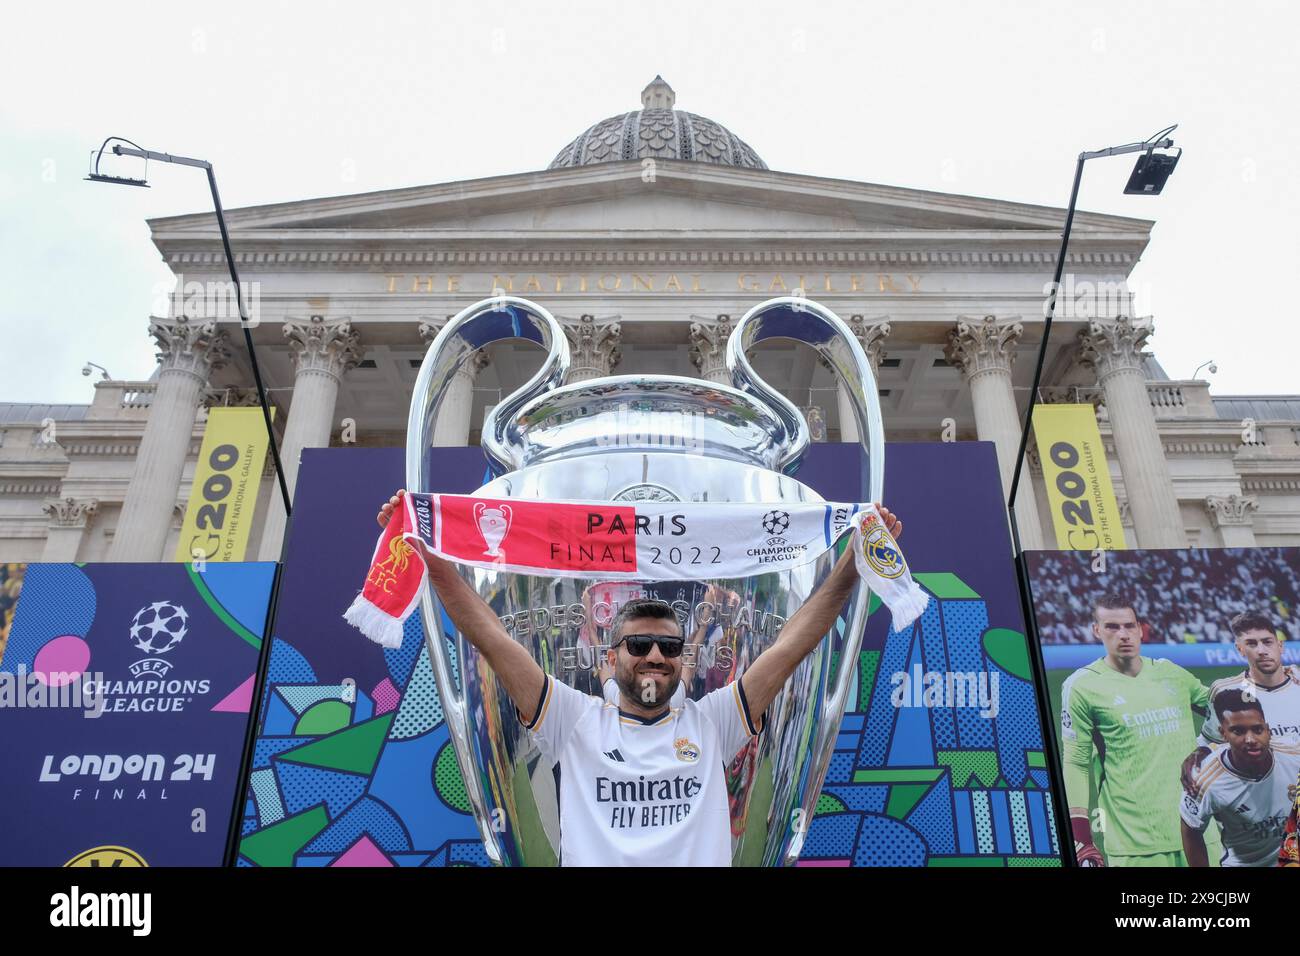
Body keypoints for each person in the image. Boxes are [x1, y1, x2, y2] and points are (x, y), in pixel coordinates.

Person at [376, 490, 903, 866]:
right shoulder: (573, 720)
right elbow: (492, 637)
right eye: (640, 645)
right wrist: (429, 558)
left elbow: (791, 645)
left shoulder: (712, 721)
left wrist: (853, 565)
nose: (655, 655)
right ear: (614, 653)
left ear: (681, 658)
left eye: (670, 647)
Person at [1061, 593, 1210, 867]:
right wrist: (1081, 838)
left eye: (1130, 626)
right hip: (1137, 846)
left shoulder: (1171, 673)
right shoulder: (1081, 686)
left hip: (1203, 836)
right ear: (1097, 631)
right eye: (1112, 627)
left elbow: (1226, 707)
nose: (1124, 634)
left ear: (1140, 628)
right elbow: (1075, 763)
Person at [1180, 610, 1300, 796]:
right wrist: (1197, 754)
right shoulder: (1225, 692)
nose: (1261, 650)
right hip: (1258, 802)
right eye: (1252, 644)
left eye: (1267, 642)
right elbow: (1210, 741)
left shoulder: (1296, 682)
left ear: (1280, 645)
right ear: (1240, 649)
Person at [1180, 688, 1300, 867]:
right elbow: (1191, 829)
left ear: (1268, 730)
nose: (1250, 739)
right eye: (1238, 731)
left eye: (1257, 729)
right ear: (1223, 734)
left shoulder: (1294, 756)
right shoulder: (1203, 779)